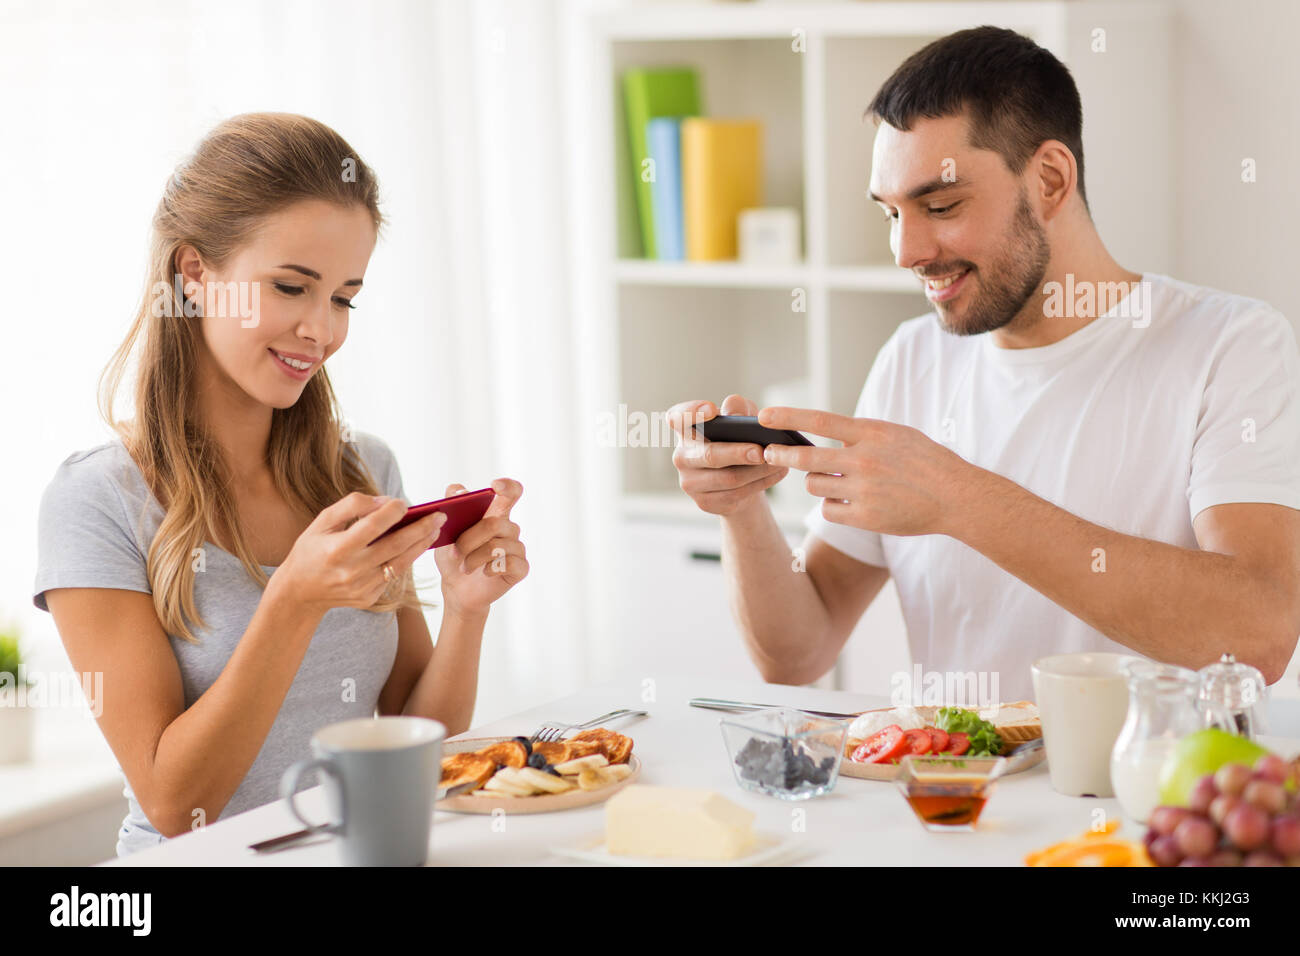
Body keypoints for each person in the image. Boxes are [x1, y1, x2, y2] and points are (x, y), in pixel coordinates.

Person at [668, 27, 1300, 702]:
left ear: (1051, 179)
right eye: (890, 213)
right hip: (955, 805)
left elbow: (1260, 634)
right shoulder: (912, 359)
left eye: (940, 206)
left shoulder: (1231, 346)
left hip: (1155, 803)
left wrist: (959, 498)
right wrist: (741, 512)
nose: (905, 250)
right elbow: (797, 652)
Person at [32, 113, 529, 856]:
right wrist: (291, 601)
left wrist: (465, 611)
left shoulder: (359, 471)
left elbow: (418, 741)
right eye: (292, 286)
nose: (320, 330)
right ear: (195, 274)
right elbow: (175, 803)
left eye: (343, 297)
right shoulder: (98, 501)